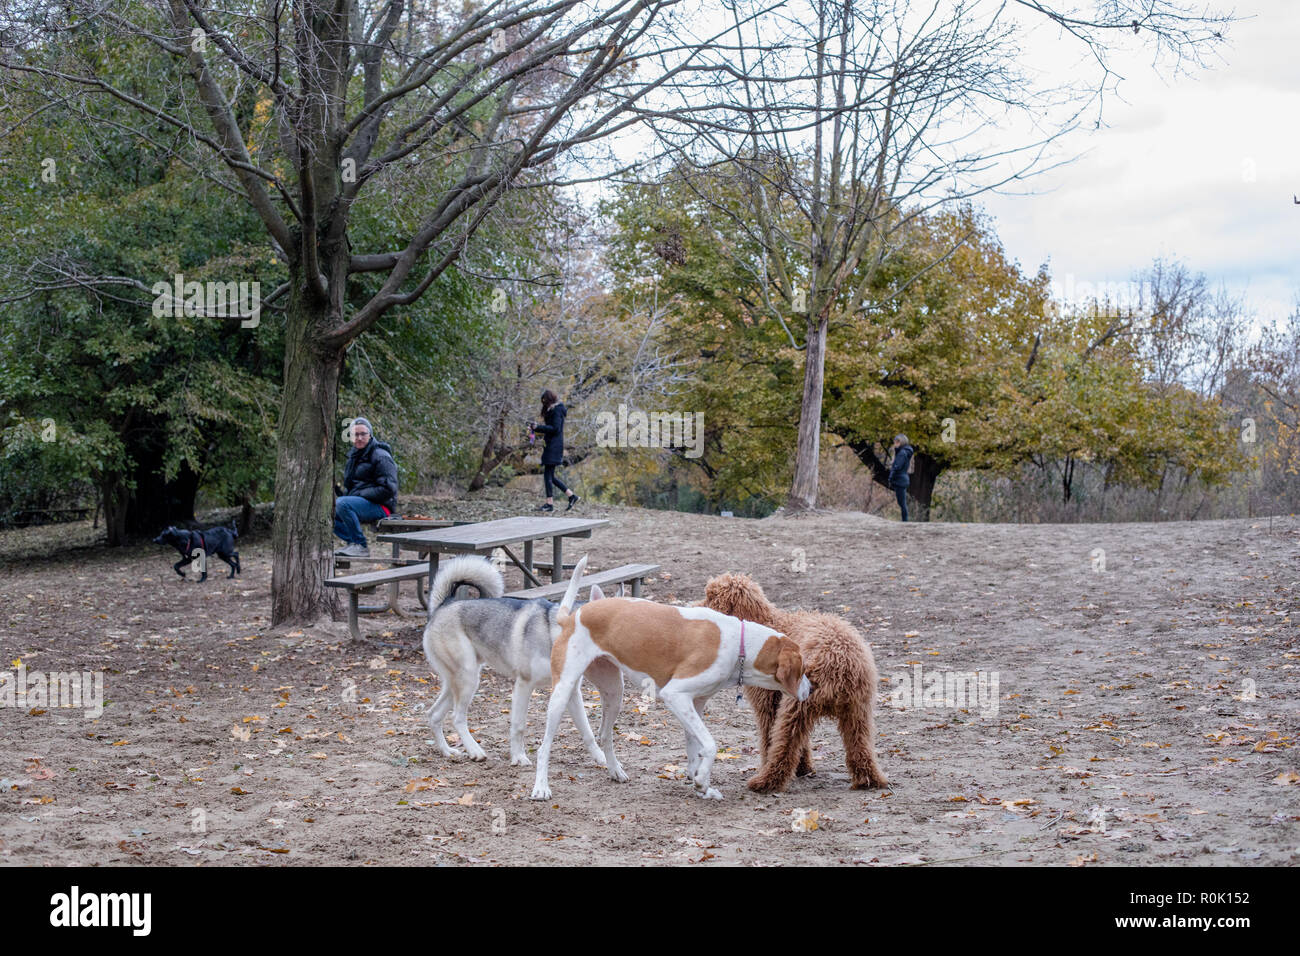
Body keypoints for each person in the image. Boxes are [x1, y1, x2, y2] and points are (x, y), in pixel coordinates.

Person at [334, 417, 398, 557]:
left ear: (370, 435)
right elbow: (353, 486)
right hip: (362, 503)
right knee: (328, 509)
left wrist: (358, 495)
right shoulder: (354, 457)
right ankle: (352, 543)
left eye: (363, 433)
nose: (360, 437)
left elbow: (389, 489)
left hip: (382, 507)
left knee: (342, 504)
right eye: (356, 434)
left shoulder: (381, 455)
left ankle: (360, 545)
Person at [530, 389, 578, 513]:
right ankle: (571, 496)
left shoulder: (557, 410)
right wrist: (536, 428)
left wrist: (538, 427)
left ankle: (549, 504)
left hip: (554, 446)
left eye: (545, 402)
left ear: (550, 400)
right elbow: (551, 428)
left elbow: (555, 429)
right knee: (550, 475)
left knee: (548, 475)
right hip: (552, 445)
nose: (544, 405)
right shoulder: (553, 410)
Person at [888, 433, 914, 522]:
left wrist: (891, 476)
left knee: (902, 503)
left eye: (896, 442)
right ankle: (904, 520)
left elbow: (897, 466)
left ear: (901, 442)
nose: (895, 444)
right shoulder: (902, 452)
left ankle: (905, 521)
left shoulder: (902, 453)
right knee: (901, 502)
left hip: (900, 480)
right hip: (901, 479)